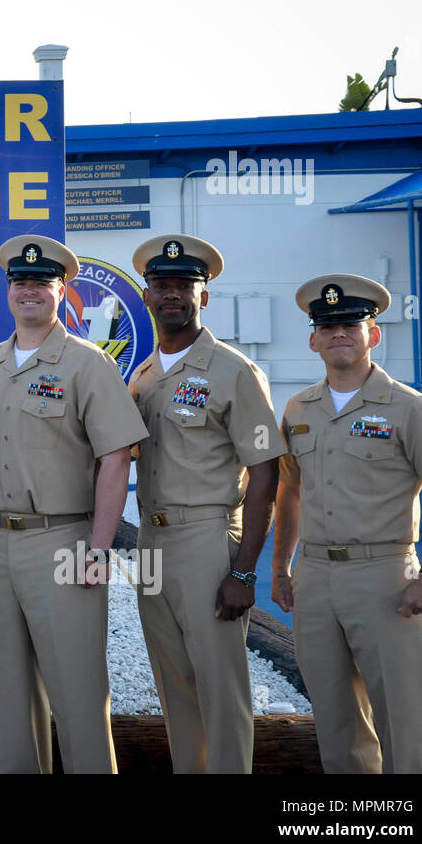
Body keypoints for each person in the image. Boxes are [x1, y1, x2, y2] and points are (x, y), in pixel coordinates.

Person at [0, 235, 147, 774]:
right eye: (21, 282)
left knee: (78, 693)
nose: (29, 291)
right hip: (2, 545)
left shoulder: (87, 365)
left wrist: (100, 548)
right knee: (10, 694)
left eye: (42, 283)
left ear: (62, 291)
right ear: (8, 291)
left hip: (65, 541)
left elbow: (116, 458)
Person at [273, 274, 422, 773]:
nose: (339, 333)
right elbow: (289, 488)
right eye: (328, 325)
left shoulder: (410, 409)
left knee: (402, 721)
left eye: (351, 324)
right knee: (335, 723)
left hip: (384, 578)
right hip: (314, 579)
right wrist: (280, 567)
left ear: (373, 334)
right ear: (313, 339)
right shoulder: (298, 409)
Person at [127, 234, 284, 773]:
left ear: (204, 298)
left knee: (220, 686)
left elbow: (267, 473)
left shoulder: (233, 371)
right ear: (146, 296)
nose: (172, 295)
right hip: (150, 539)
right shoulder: (143, 376)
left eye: (184, 286)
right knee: (175, 683)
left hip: (206, 537)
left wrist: (244, 572)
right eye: (162, 286)